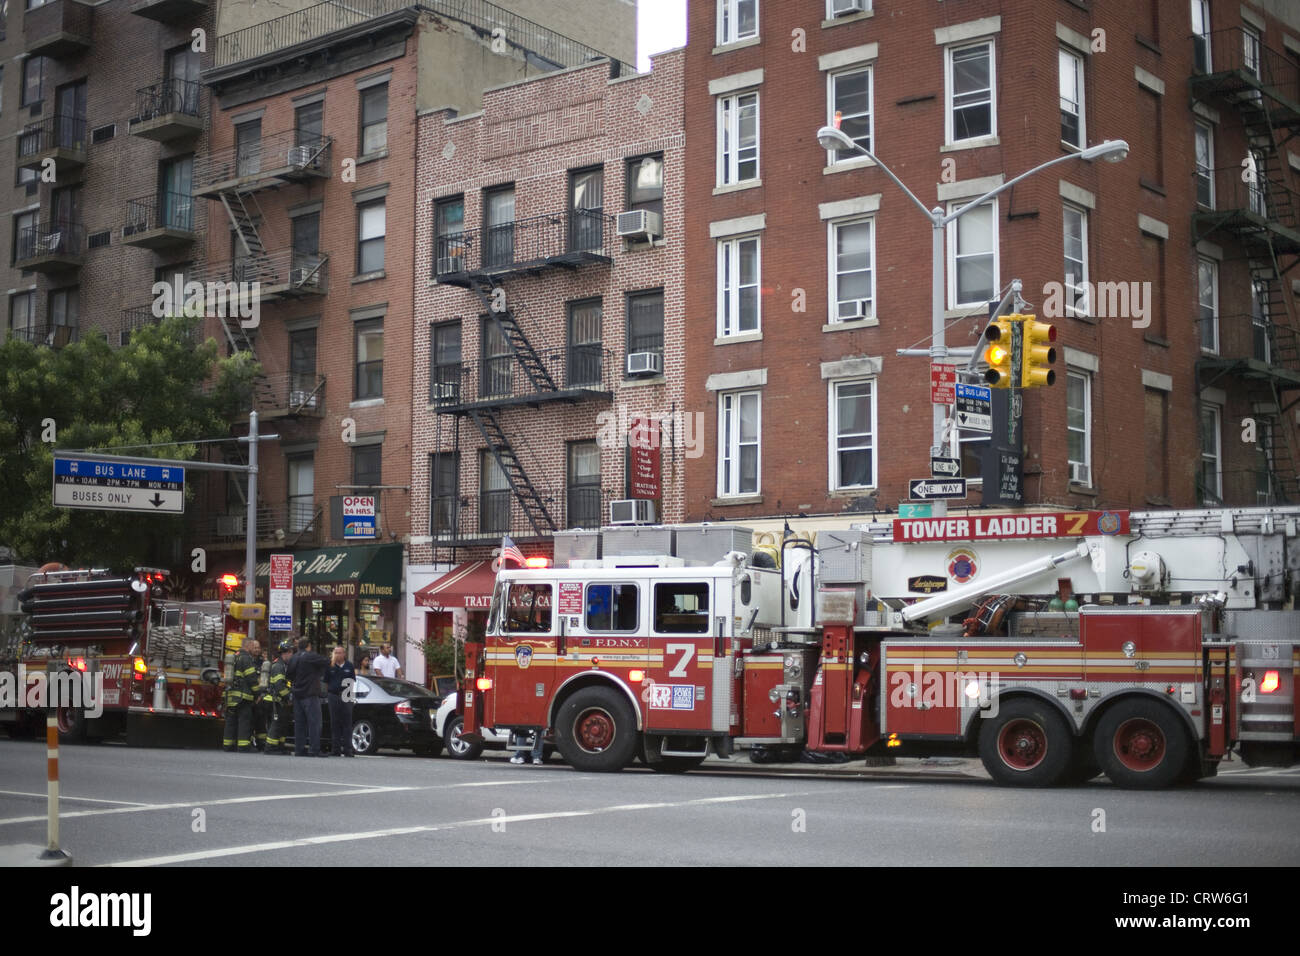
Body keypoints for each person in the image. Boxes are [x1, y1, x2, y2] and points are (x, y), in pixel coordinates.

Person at [286, 637, 329, 757]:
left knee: (299, 724)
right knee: (314, 723)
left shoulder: (293, 658)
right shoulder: (310, 656)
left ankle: (299, 749)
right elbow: (326, 661)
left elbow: (288, 675)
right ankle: (314, 749)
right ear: (308, 646)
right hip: (310, 694)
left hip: (297, 695)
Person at [222, 637, 260, 753]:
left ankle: (228, 746)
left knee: (231, 722)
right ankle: (243, 746)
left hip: (231, 696)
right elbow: (251, 678)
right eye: (252, 646)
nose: (254, 648)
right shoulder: (246, 658)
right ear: (248, 646)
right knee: (244, 721)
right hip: (243, 697)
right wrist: (258, 693)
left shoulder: (234, 656)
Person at [326, 645, 357, 757]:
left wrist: (350, 698)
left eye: (340, 653)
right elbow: (326, 681)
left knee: (347, 723)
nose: (338, 655)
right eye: (336, 653)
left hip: (346, 695)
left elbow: (352, 682)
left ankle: (348, 749)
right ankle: (336, 749)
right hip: (333, 695)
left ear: (344, 654)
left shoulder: (349, 666)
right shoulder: (330, 665)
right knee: (335, 723)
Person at [264, 641, 293, 755]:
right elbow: (279, 685)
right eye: (290, 652)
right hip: (274, 701)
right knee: (276, 724)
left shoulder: (283, 665)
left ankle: (279, 746)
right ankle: (270, 747)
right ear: (285, 653)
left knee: (282, 724)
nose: (292, 655)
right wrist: (288, 697)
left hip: (280, 701)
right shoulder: (278, 666)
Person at [248, 639, 268, 752]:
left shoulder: (262, 662)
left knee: (261, 721)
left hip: (261, 696)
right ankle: (250, 742)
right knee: (250, 721)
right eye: (255, 647)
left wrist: (261, 694)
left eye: (258, 648)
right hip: (251, 695)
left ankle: (261, 743)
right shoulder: (248, 661)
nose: (257, 650)